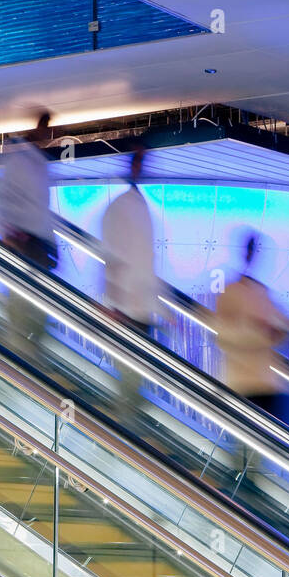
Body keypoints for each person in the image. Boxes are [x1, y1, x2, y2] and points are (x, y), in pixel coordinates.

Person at [211, 231, 289, 478]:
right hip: (242, 381)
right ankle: (242, 482)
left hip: (264, 380)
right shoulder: (230, 291)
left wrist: (276, 331)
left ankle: (250, 480)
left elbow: (281, 328)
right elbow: (224, 333)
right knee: (245, 440)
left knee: (260, 441)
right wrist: (261, 332)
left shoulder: (261, 293)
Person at [99, 141, 167, 419]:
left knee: (135, 378)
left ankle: (128, 424)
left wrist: (161, 308)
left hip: (140, 308)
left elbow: (143, 261)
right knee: (129, 379)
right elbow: (111, 258)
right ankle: (124, 430)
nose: (142, 167)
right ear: (131, 166)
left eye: (144, 161)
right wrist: (113, 302)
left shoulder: (139, 206)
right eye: (139, 161)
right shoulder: (122, 207)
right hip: (126, 309)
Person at [0, 110, 56, 355]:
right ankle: (19, 347)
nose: (47, 135)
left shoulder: (38, 163)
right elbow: (5, 199)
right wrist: (6, 234)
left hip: (35, 243)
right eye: (45, 129)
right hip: (22, 242)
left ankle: (30, 346)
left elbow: (41, 210)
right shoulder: (20, 160)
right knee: (22, 296)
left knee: (35, 298)